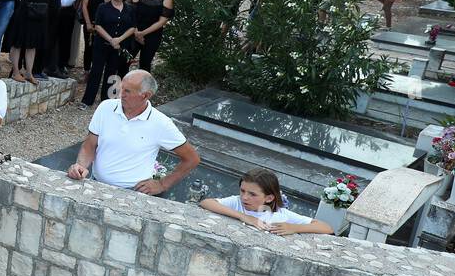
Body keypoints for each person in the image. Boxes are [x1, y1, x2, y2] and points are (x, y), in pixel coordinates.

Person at [68, 69, 200, 194]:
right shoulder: (105, 108)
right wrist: (81, 165)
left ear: (146, 95)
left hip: (132, 193)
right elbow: (90, 144)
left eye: (127, 91)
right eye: (121, 88)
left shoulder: (161, 124)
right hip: (96, 184)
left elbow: (192, 159)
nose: (120, 94)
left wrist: (162, 184)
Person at [199, 168, 335, 236]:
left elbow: (326, 228)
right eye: (242, 191)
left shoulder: (281, 214)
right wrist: (244, 216)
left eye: (252, 194)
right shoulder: (236, 203)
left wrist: (293, 228)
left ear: (269, 198)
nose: (245, 197)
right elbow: (206, 202)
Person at [81, 0, 137, 108]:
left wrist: (119, 39)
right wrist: (111, 39)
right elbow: (98, 26)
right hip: (102, 44)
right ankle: (87, 101)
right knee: (96, 71)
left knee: (112, 73)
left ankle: (105, 102)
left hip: (119, 46)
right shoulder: (103, 7)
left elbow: (133, 27)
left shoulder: (130, 9)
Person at [132, 0, 175, 72]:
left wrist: (142, 34)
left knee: (145, 64)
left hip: (152, 35)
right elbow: (131, 15)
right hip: (134, 32)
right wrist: (136, 32)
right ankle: (122, 85)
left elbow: (162, 22)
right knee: (124, 59)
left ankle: (145, 87)